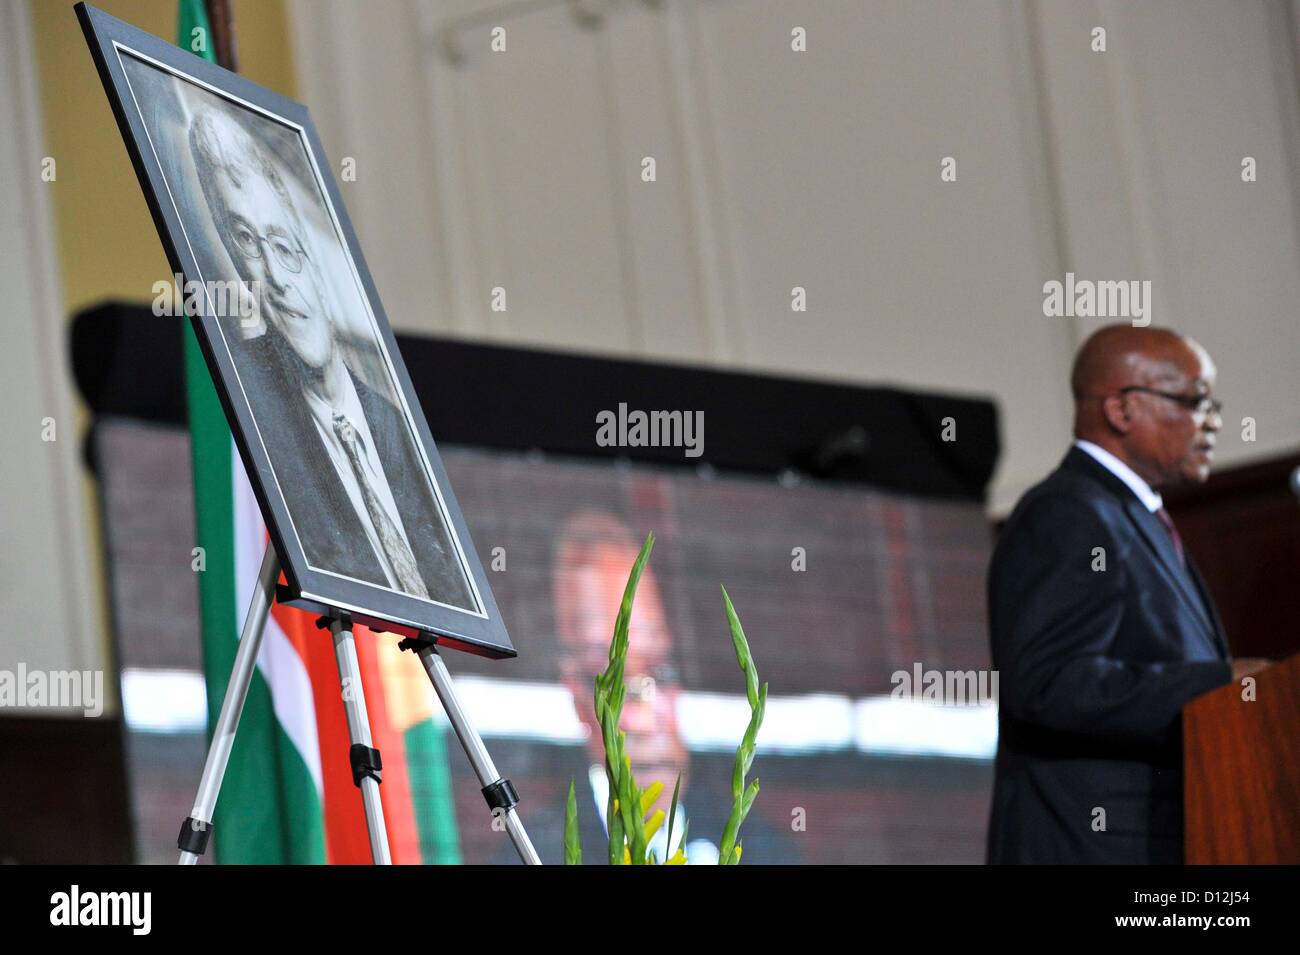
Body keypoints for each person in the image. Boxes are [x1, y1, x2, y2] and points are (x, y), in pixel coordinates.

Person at [985, 324, 1269, 864]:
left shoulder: (1134, 517)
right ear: (1120, 410)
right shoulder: (1067, 514)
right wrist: (1220, 682)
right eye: (1196, 400)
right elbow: (1047, 683)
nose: (1212, 422)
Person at [187, 108, 473, 608]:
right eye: (247, 244)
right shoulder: (256, 433)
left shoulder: (399, 431)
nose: (274, 275)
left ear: (317, 265)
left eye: (283, 245)